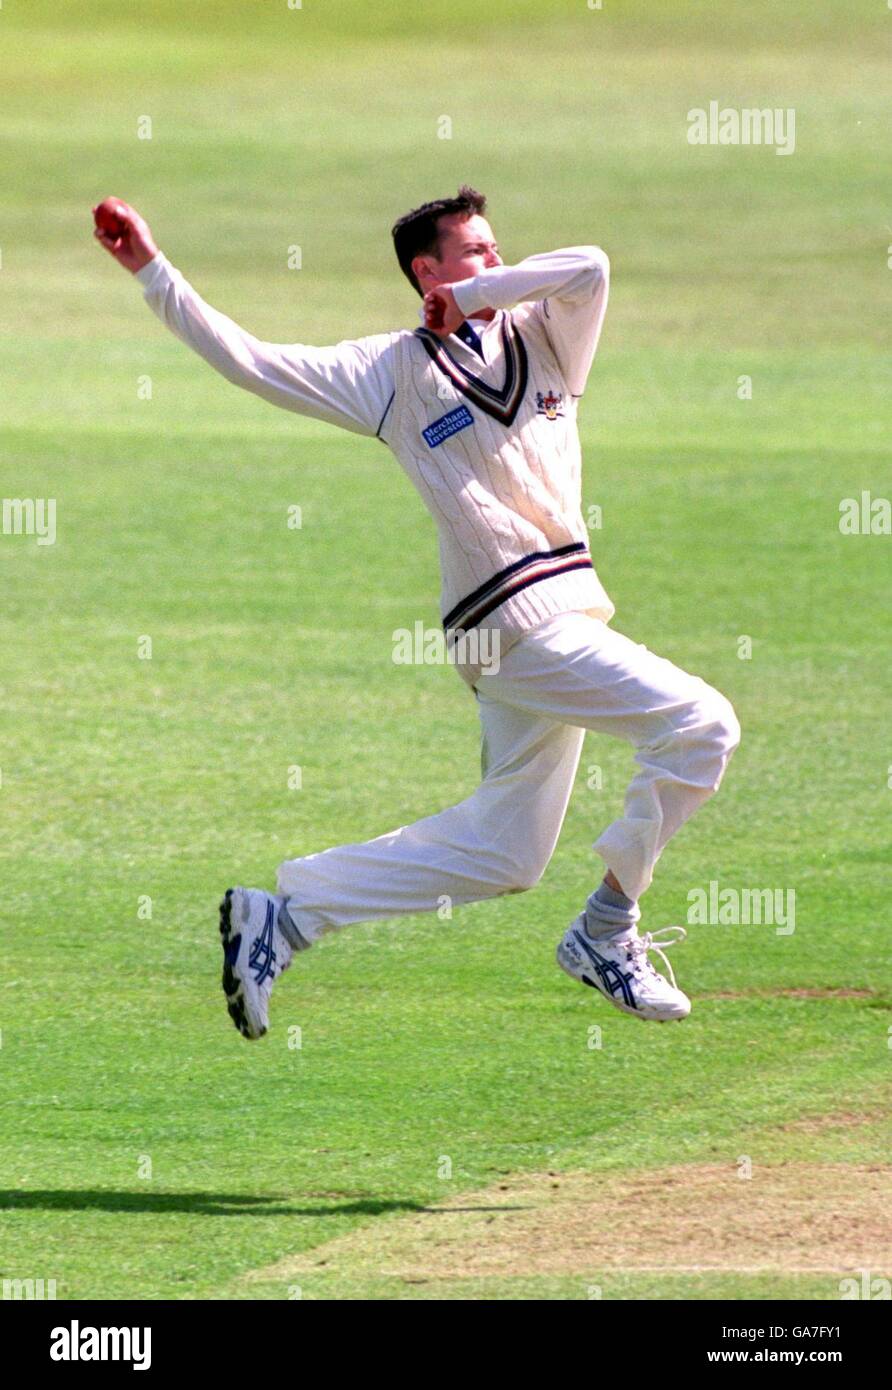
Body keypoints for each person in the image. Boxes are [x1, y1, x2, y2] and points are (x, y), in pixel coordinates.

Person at [93, 185, 740, 1040]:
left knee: (506, 853)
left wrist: (475, 294)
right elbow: (250, 360)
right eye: (475, 252)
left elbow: (591, 267)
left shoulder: (548, 339)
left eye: (497, 248)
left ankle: (284, 919)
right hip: (512, 624)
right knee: (703, 726)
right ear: (422, 268)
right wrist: (151, 270)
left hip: (561, 616)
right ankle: (605, 930)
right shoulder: (388, 373)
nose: (497, 261)